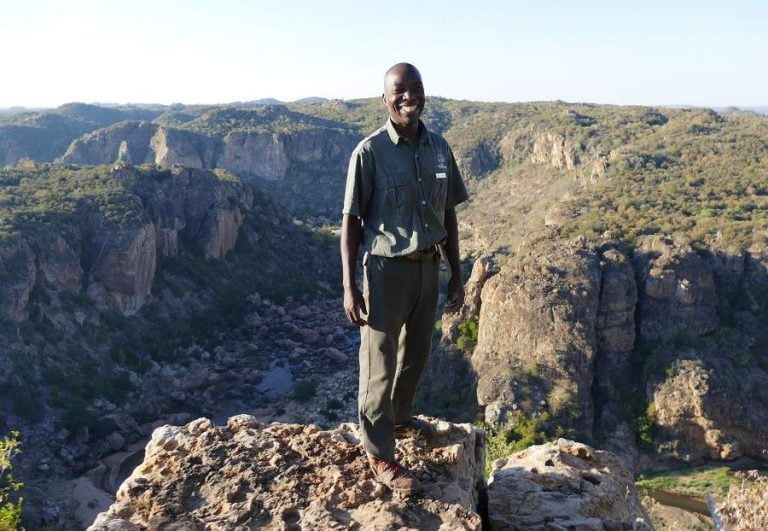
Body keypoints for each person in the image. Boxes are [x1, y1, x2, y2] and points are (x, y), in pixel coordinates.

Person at [340, 62, 469, 494]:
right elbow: (352, 222)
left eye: (415, 88)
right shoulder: (370, 152)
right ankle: (380, 454)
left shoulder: (439, 148)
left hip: (429, 266)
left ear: (424, 94)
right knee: (379, 364)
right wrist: (349, 286)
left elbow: (448, 212)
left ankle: (399, 416)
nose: (408, 96)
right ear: (385, 98)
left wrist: (456, 273)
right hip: (385, 270)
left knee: (417, 354)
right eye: (399, 90)